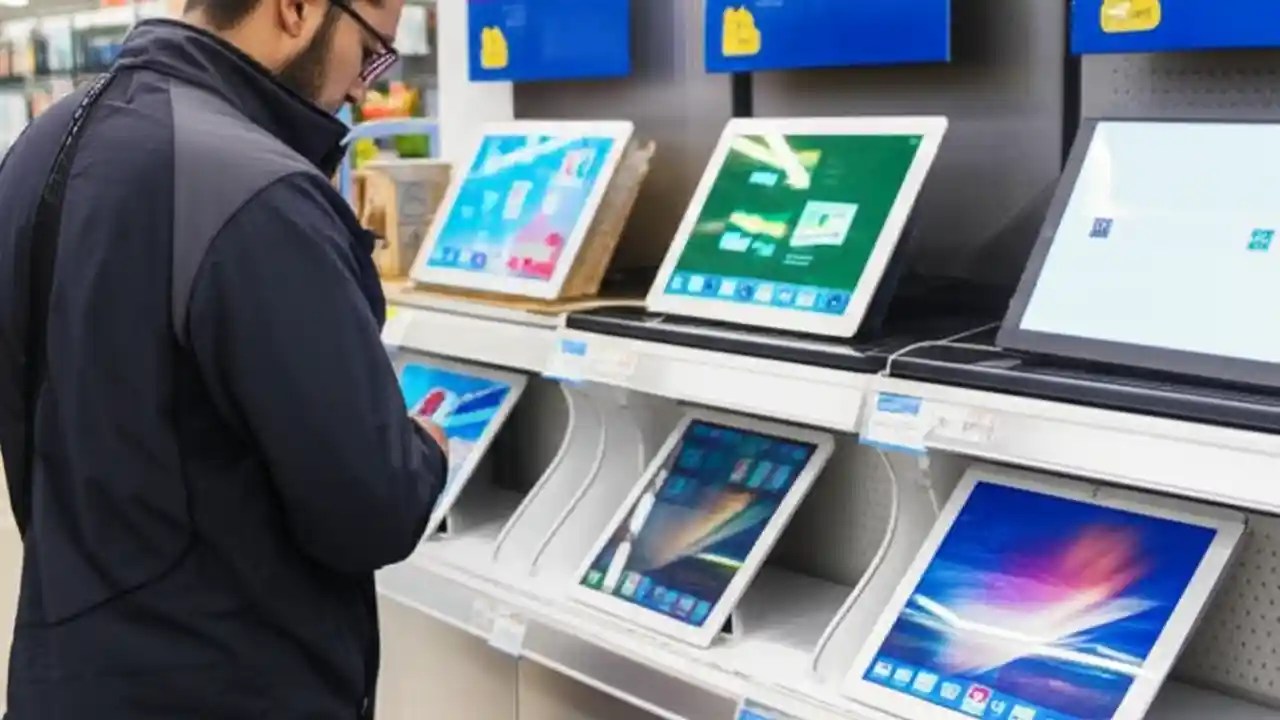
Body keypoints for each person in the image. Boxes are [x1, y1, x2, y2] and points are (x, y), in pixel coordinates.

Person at [0, 0, 449, 714]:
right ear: (296, 10)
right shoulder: (261, 194)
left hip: (67, 667)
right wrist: (425, 451)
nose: (365, 88)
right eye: (370, 52)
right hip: (231, 682)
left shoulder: (42, 144)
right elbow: (371, 509)